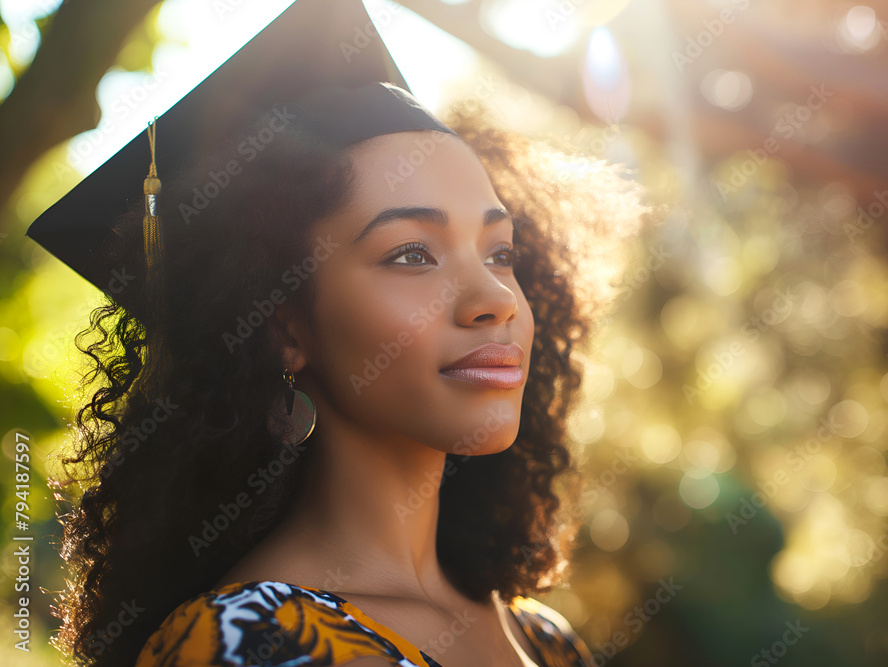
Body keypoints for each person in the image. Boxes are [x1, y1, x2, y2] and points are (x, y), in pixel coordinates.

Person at [27, 2, 650, 666]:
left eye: (500, 253)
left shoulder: (547, 640)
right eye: (412, 253)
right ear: (284, 326)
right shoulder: (243, 641)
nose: (496, 298)